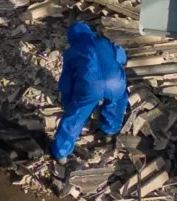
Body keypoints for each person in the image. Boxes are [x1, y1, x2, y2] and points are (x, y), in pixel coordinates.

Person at [51, 20, 129, 162]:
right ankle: (109, 132)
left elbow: (66, 81)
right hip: (115, 83)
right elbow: (122, 57)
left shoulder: (72, 52)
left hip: (90, 87)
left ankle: (61, 153)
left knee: (76, 116)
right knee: (116, 103)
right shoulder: (105, 42)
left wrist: (68, 102)